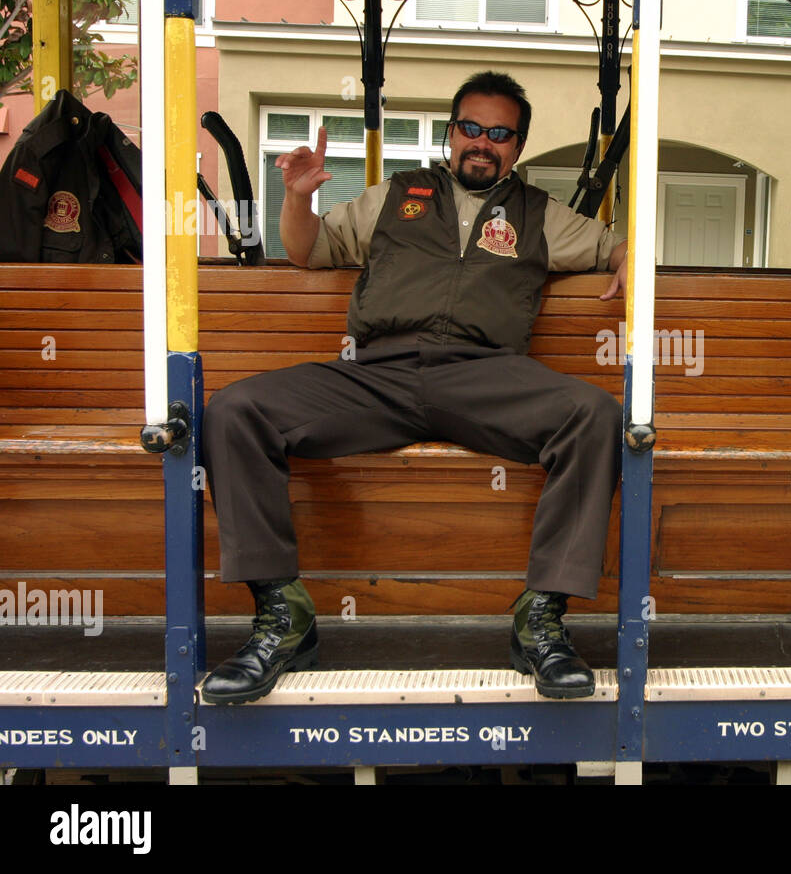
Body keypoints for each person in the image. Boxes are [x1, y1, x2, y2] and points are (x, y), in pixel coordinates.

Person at [200, 71, 627, 704]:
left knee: (595, 413)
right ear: (452, 132)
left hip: (486, 379)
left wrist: (628, 264)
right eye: (471, 128)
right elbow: (306, 249)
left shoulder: (541, 217)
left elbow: (620, 244)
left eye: (500, 133)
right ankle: (282, 614)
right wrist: (296, 198)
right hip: (379, 375)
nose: (482, 143)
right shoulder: (394, 196)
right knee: (235, 410)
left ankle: (540, 619)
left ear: (517, 146)